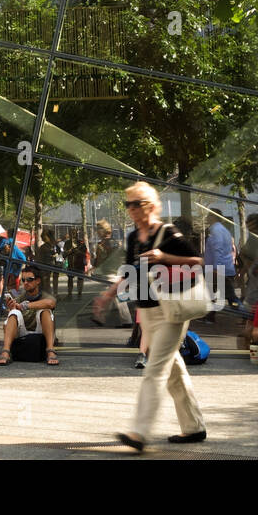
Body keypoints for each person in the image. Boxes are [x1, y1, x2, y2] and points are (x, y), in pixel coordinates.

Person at [92, 181, 207, 452]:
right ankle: (194, 427)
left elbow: (198, 261)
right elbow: (129, 271)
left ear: (151, 206)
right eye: (127, 204)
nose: (131, 209)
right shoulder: (133, 238)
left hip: (171, 311)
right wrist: (108, 295)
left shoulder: (168, 233)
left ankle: (139, 432)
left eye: (136, 204)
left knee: (154, 370)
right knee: (173, 371)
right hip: (147, 310)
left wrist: (164, 255)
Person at [0, 263, 59, 366]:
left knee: (46, 311)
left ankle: (50, 351)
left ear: (38, 281)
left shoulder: (45, 295)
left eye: (29, 279)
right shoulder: (21, 297)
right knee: (13, 313)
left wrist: (26, 306)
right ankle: (6, 351)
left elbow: (51, 303)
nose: (26, 283)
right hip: (24, 334)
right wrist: (11, 309)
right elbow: (6, 325)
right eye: (23, 280)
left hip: (40, 334)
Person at [203, 213, 238, 322]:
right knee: (224, 293)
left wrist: (216, 268)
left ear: (214, 217)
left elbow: (217, 250)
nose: (207, 218)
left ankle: (242, 312)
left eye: (209, 216)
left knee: (218, 293)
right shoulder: (224, 230)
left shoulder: (216, 230)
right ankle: (210, 316)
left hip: (216, 268)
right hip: (224, 267)